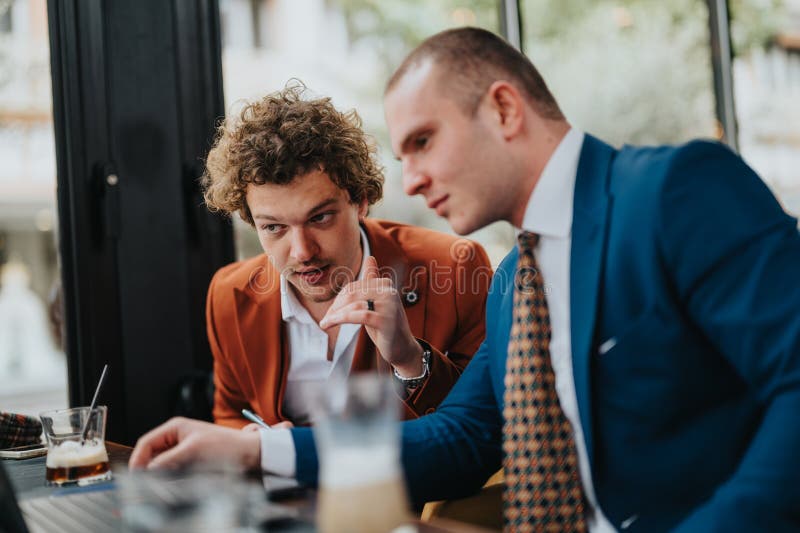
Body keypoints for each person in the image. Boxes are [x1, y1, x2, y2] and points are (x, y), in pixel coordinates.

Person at [131, 29, 800, 532]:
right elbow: (461, 438)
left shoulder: (672, 191)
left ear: (504, 109)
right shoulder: (518, 279)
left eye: (423, 141)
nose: (411, 180)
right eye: (402, 154)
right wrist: (254, 450)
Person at [134, 84, 491, 472]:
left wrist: (408, 357)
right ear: (251, 222)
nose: (302, 251)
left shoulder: (454, 269)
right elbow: (231, 412)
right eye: (274, 228)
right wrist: (253, 442)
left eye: (320, 218)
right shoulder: (229, 294)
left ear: (360, 199)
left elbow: (481, 430)